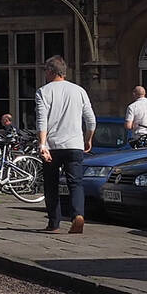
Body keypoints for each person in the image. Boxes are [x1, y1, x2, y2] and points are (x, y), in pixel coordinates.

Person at [35, 56, 96, 234]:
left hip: (53, 146)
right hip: (75, 144)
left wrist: (42, 145)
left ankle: (54, 223)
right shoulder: (79, 91)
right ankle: (78, 215)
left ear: (50, 71)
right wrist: (88, 138)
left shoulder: (43, 92)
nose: (45, 74)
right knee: (76, 183)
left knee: (51, 185)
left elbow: (41, 121)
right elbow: (91, 120)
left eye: (45, 70)